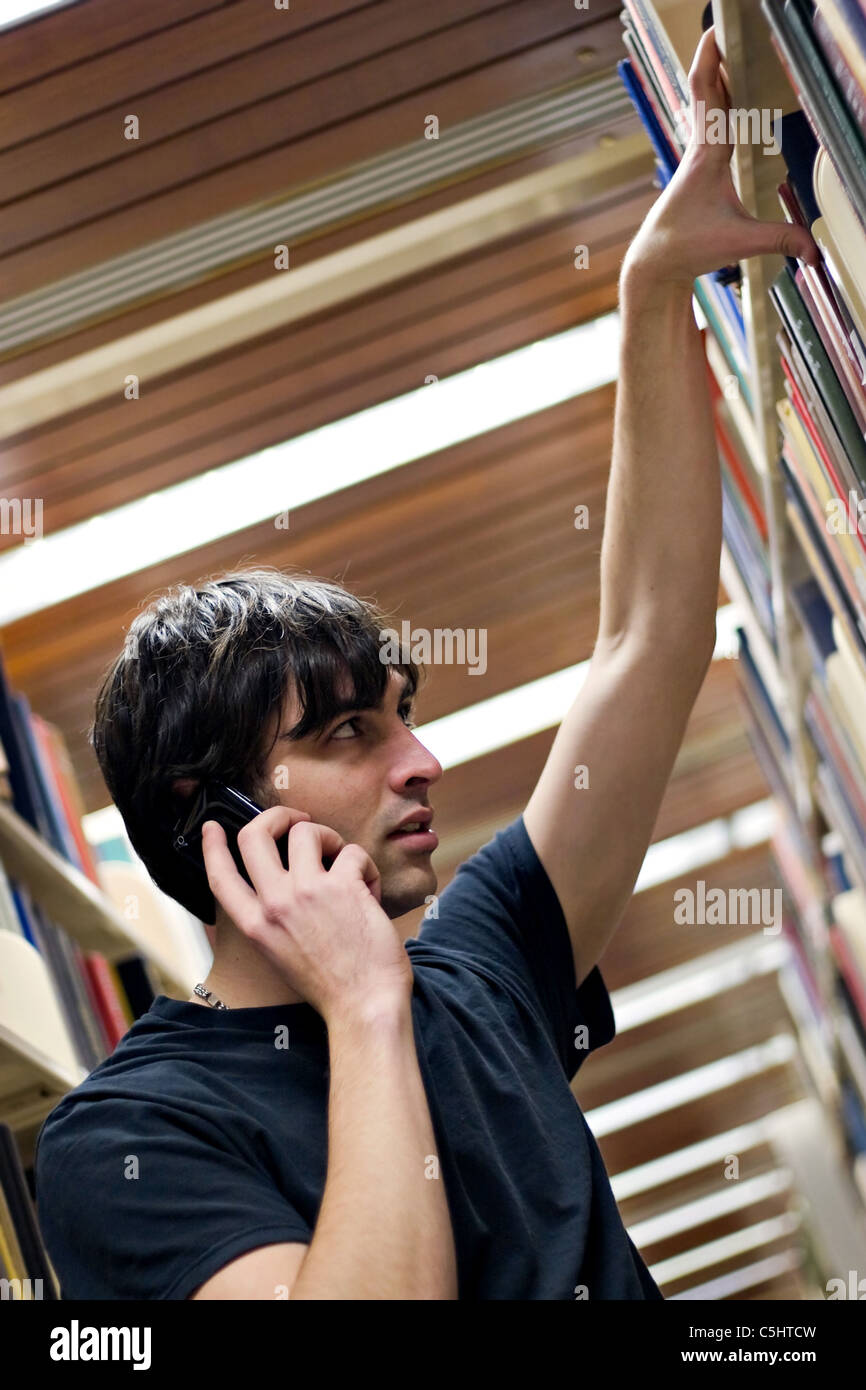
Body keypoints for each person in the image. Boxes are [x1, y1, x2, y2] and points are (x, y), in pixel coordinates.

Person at [33, 28, 818, 1301]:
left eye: (404, 716)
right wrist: (358, 1007)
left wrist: (651, 282)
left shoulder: (482, 954)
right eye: (347, 735)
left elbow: (647, 638)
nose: (423, 763)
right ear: (207, 817)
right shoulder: (129, 1139)